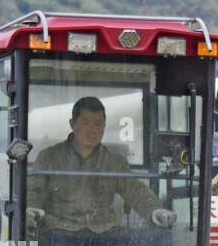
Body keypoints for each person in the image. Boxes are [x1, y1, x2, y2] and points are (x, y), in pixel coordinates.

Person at [26, 96, 176, 233]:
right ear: (72, 124)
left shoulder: (115, 162)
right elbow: (34, 191)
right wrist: (30, 211)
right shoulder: (49, 158)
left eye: (98, 124)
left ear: (104, 126)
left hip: (104, 234)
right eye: (85, 123)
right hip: (59, 233)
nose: (92, 130)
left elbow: (135, 190)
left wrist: (155, 211)